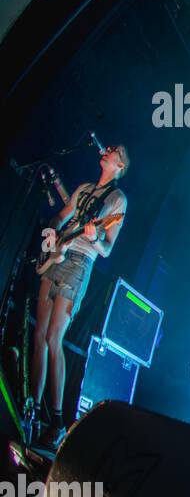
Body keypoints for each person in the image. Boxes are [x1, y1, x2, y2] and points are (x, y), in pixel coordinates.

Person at [30, 144, 129, 446]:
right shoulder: (85, 188)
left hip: (79, 263)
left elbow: (108, 249)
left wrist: (95, 235)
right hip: (58, 255)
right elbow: (62, 215)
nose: (108, 149)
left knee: (53, 339)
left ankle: (57, 420)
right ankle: (31, 411)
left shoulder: (117, 200)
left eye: (115, 151)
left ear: (119, 165)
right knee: (39, 335)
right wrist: (51, 232)